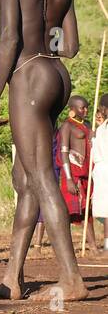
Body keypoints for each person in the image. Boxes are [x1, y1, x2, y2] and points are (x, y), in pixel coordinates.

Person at [0, 0, 87, 301]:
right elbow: (71, 47)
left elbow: (9, 38)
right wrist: (46, 46)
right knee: (25, 180)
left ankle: (72, 279)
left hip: (28, 75)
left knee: (41, 177)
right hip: (57, 75)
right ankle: (12, 278)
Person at [57, 96, 92, 228]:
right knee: (71, 211)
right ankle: (63, 242)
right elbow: (63, 152)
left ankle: (93, 246)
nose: (86, 110)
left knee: (87, 210)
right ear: (72, 109)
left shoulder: (88, 124)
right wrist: (69, 178)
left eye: (86, 107)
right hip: (73, 172)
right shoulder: (67, 126)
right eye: (82, 108)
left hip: (87, 172)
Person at [91, 95, 108, 255]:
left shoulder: (103, 129)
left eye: (102, 107)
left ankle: (107, 246)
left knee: (106, 210)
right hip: (102, 171)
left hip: (105, 171)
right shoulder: (102, 128)